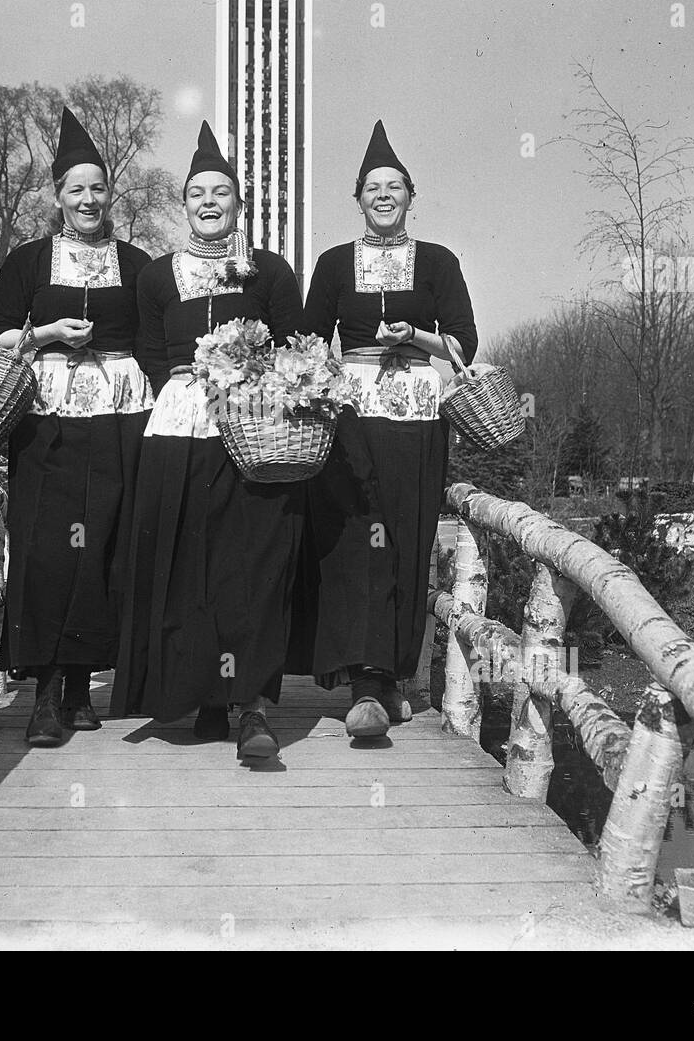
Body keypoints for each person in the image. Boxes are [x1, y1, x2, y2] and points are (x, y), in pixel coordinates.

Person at [112, 122, 305, 762]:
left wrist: (247, 377)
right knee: (186, 561)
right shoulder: (158, 276)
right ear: (184, 202)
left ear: (238, 203)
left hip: (250, 430)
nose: (209, 202)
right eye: (197, 192)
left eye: (221, 192)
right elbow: (146, 345)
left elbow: (293, 343)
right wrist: (185, 374)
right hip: (179, 428)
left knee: (248, 562)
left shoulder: (269, 270)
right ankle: (203, 695)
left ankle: (250, 705)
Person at [289, 120, 478, 739]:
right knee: (354, 542)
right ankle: (364, 686)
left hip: (417, 418)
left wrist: (414, 336)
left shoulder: (440, 262)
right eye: (373, 186)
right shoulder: (334, 263)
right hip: (350, 418)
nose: (384, 195)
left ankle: (395, 677)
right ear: (359, 198)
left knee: (406, 537)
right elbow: (310, 339)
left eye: (394, 185)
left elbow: (463, 345)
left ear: (410, 196)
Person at [0, 107, 153, 747]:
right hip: (46, 421)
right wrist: (43, 334)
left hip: (119, 418)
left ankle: (82, 686)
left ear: (111, 195)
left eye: (98, 188)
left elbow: (159, 337)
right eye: (76, 189)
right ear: (57, 197)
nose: (88, 199)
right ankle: (45, 693)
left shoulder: (137, 265)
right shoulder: (28, 261)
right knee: (48, 549)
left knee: (103, 544)